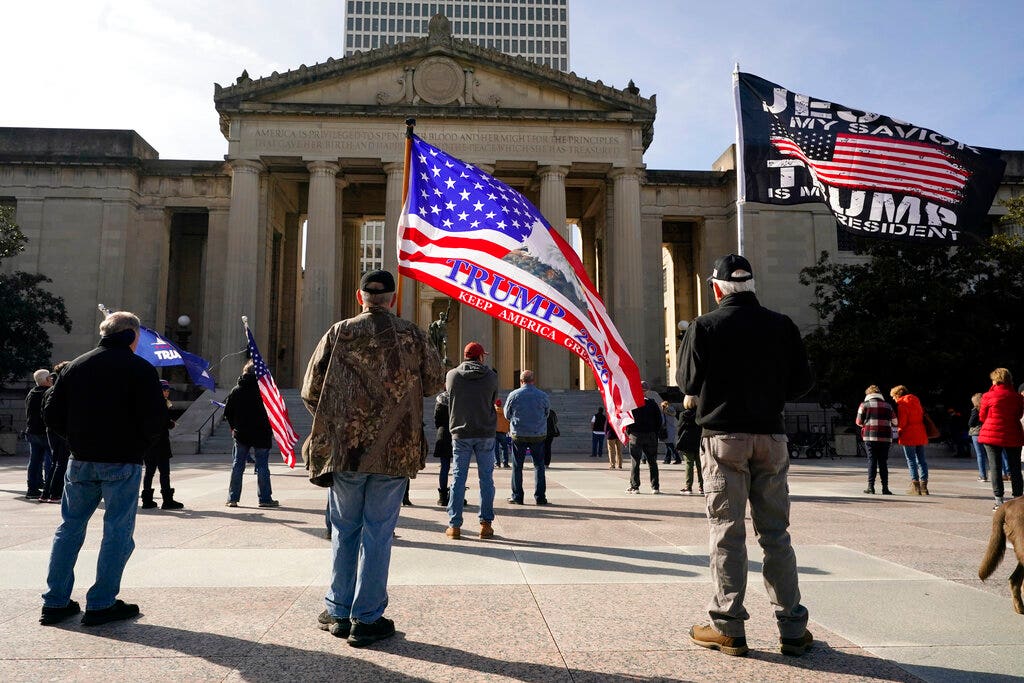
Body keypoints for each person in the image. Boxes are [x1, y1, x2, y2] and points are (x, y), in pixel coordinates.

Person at [678, 253, 815, 658]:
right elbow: (802, 383)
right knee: (776, 534)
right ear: (752, 286)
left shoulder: (705, 326)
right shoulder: (782, 325)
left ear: (718, 288)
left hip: (724, 438)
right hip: (771, 437)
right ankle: (792, 627)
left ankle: (728, 627)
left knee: (727, 531)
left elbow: (686, 381)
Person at [301, 269, 444, 647]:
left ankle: (337, 609)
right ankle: (366, 618)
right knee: (378, 532)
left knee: (344, 529)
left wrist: (339, 420)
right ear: (392, 299)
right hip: (393, 452)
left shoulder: (339, 332)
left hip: (345, 451)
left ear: (359, 295)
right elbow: (433, 383)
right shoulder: (412, 334)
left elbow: (310, 389)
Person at [40, 311, 166, 626]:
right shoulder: (141, 368)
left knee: (69, 528)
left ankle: (55, 603)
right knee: (117, 532)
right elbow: (156, 419)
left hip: (81, 460)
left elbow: (51, 412)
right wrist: (138, 446)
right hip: (122, 461)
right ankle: (100, 603)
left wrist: (75, 440)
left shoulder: (76, 366)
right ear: (133, 336)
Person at [444, 341, 498, 540]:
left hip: (461, 432)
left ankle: (455, 525)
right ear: (481, 357)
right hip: (485, 432)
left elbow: (450, 398)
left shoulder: (452, 375)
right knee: (486, 479)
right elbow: (492, 399)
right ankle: (485, 525)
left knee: (458, 478)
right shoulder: (491, 376)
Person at [224, 359, 278, 508]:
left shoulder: (236, 390)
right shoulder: (266, 391)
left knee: (237, 465)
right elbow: (274, 412)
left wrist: (233, 427)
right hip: (262, 433)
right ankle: (265, 499)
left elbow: (228, 412)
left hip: (242, 433)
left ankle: (232, 498)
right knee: (262, 466)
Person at [979, 368, 1024, 510]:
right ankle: (1018, 500)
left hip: (991, 434)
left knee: (995, 467)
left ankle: (999, 501)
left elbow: (982, 416)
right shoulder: (1017, 397)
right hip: (1013, 433)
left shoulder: (988, 396)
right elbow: (1019, 414)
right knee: (1015, 467)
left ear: (995, 380)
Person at [504, 370, 550, 505]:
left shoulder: (514, 395)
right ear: (533, 380)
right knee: (539, 466)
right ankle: (540, 497)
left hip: (519, 434)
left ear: (521, 381)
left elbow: (507, 414)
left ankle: (517, 496)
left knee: (517, 467)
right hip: (538, 434)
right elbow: (547, 413)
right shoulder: (542, 395)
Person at [141, 380, 184, 510]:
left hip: (149, 444)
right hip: (161, 444)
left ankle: (147, 501)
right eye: (164, 390)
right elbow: (163, 423)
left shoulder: (147, 404)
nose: (167, 392)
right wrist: (171, 424)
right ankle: (167, 500)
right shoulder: (160, 404)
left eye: (168, 390)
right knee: (164, 472)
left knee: (149, 472)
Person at [855, 385, 896, 495]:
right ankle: (885, 488)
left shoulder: (864, 405)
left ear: (868, 394)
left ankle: (870, 487)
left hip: (870, 436)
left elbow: (858, 422)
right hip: (885, 437)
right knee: (883, 462)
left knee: (872, 461)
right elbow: (895, 422)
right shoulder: (888, 406)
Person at [889, 385, 930, 495]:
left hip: (909, 434)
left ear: (897, 395)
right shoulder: (916, 401)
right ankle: (924, 486)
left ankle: (915, 486)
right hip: (920, 432)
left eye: (893, 397)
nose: (893, 399)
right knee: (922, 460)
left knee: (911, 460)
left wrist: (898, 431)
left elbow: (903, 423)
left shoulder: (902, 405)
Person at [40, 362, 71, 504]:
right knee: (61, 463)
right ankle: (55, 493)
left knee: (55, 462)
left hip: (51, 430)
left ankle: (46, 493)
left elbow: (43, 412)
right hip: (62, 430)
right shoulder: (65, 389)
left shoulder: (49, 391)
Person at [24, 368, 53, 499]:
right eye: (50, 378)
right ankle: (49, 488)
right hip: (44, 432)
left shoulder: (31, 392)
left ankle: (32, 488)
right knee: (50, 460)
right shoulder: (49, 392)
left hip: (32, 431)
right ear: (47, 380)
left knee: (34, 460)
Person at [625, 395, 661, 494]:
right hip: (651, 435)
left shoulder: (632, 404)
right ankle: (655, 487)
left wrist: (629, 432)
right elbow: (659, 419)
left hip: (636, 435)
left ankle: (635, 486)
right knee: (652, 462)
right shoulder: (652, 403)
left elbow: (628, 420)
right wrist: (655, 432)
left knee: (635, 462)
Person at [676, 395, 703, 495]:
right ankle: (702, 486)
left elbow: (679, 429)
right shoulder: (701, 413)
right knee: (700, 465)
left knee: (689, 464)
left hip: (687, 442)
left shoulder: (683, 414)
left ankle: (688, 487)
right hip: (699, 441)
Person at [433, 391, 454, 505]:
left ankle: (442, 497)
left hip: (443, 433)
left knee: (444, 467)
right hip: (457, 433)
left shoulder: (441, 398)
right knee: (459, 467)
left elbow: (436, 418)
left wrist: (441, 428)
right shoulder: (459, 395)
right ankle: (456, 494)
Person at [968, 393, 987, 482]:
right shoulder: (988, 408)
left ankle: (983, 475)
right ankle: (1004, 473)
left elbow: (971, 423)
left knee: (980, 455)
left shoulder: (975, 410)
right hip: (987, 432)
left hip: (976, 433)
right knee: (992, 455)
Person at [494, 397, 511, 468]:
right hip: (503, 432)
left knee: (495, 449)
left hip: (494, 432)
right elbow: (508, 421)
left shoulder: (493, 412)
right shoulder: (504, 411)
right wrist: (508, 430)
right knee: (504, 448)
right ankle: (505, 463)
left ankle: (497, 463)